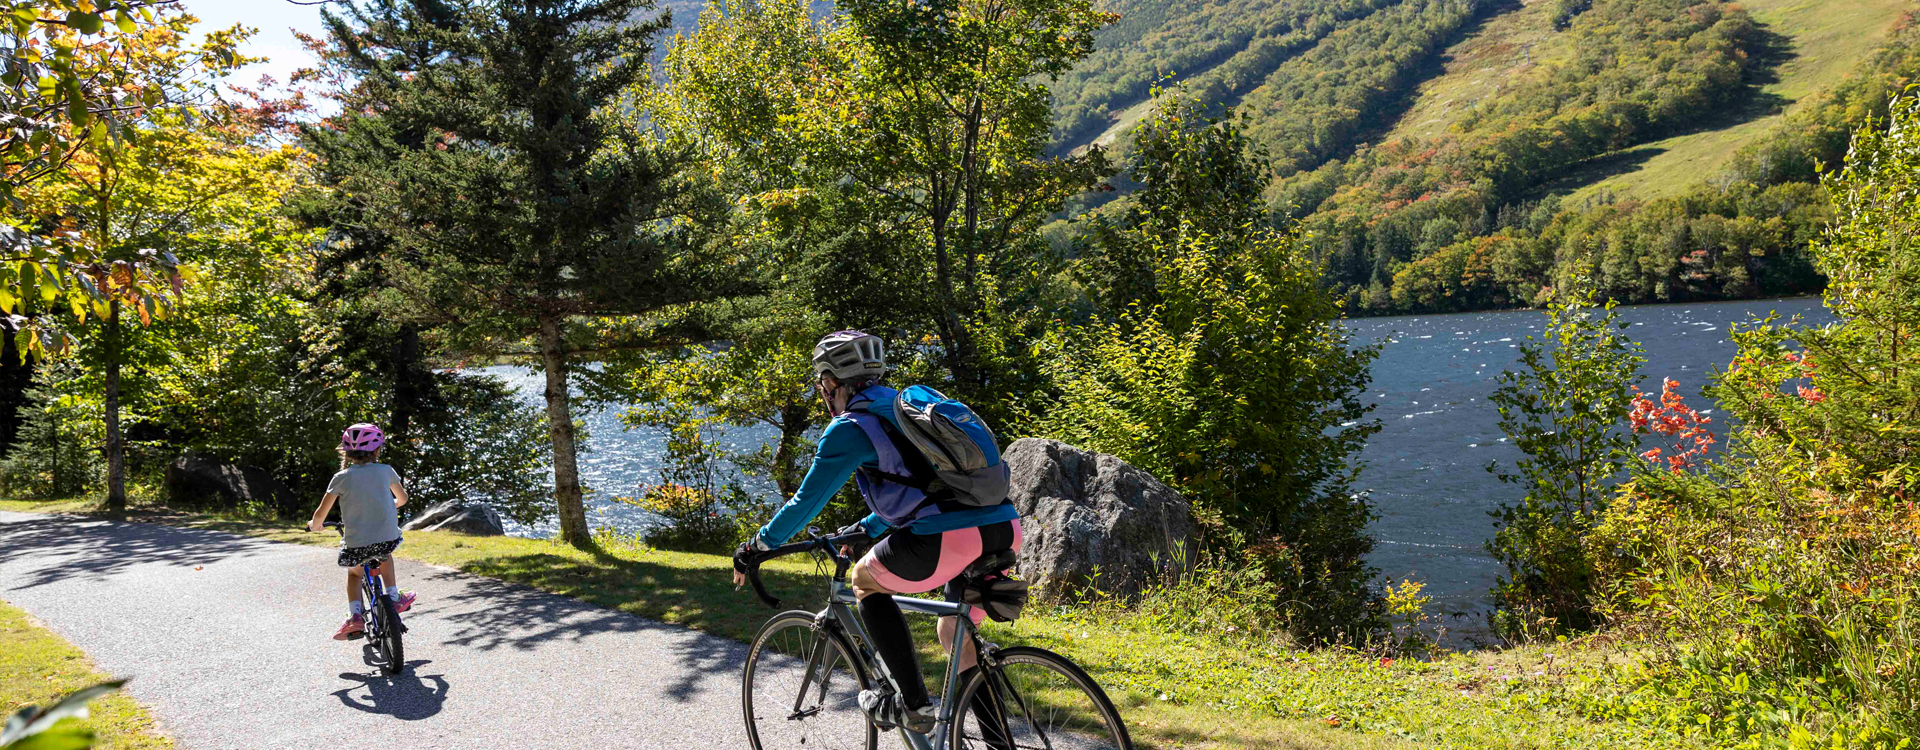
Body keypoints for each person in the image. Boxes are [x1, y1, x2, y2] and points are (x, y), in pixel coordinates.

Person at [732, 330, 1021, 735]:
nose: (822, 394)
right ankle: (999, 743)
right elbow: (925, 490)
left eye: (821, 385)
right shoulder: (907, 410)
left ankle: (914, 706)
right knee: (953, 632)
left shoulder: (851, 428)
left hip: (949, 538)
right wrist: (866, 528)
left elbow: (805, 504)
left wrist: (757, 545)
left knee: (865, 580)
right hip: (1004, 526)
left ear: (832, 383)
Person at [308, 423, 417, 640]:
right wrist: (390, 504)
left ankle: (355, 616)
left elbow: (321, 513)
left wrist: (315, 525)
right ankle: (394, 597)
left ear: (346, 451)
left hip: (356, 542)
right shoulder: (386, 471)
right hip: (386, 537)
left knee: (355, 573)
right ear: (377, 450)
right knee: (385, 555)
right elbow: (402, 499)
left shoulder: (341, 477)